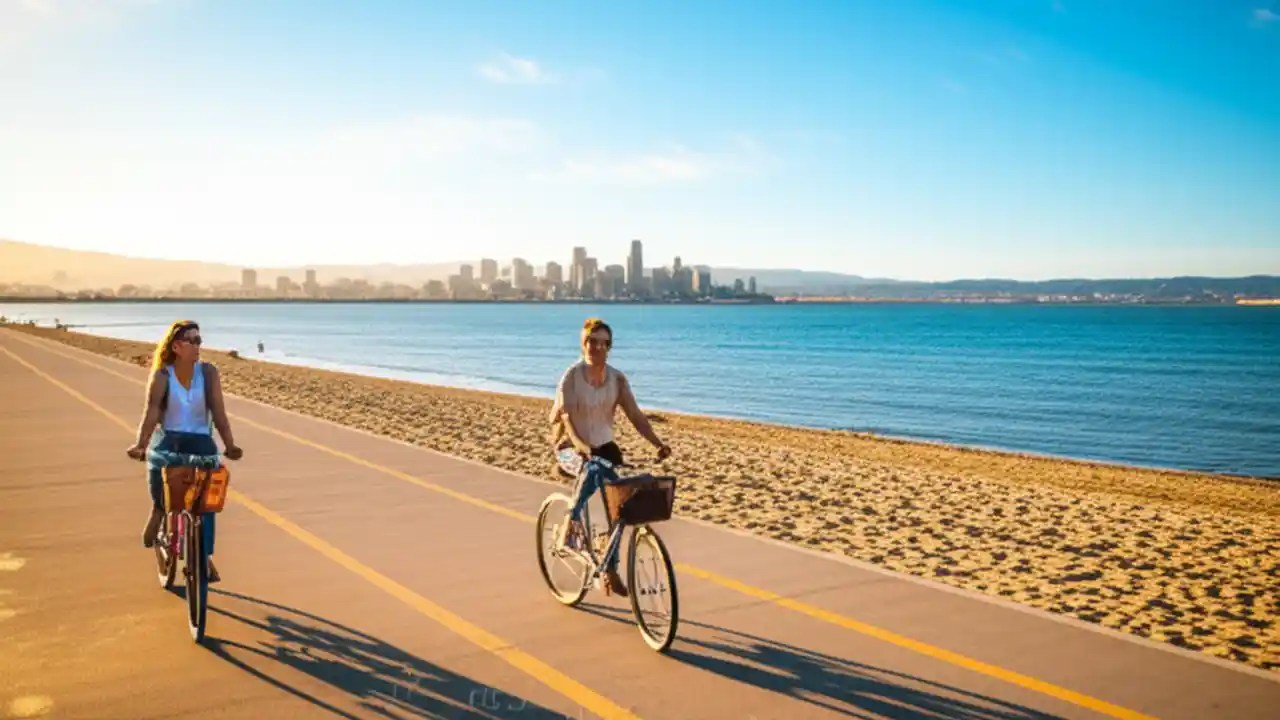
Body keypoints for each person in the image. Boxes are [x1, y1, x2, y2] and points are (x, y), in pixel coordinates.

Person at [549, 317, 671, 596]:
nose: (597, 347)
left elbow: (636, 416)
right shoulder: (571, 377)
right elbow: (566, 418)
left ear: (609, 347)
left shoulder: (617, 379)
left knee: (620, 505)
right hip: (570, 447)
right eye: (591, 342)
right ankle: (570, 523)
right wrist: (581, 446)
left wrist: (657, 444)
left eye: (603, 343)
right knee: (591, 470)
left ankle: (609, 568)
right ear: (583, 345)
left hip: (604, 448)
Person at [126, 320, 242, 582]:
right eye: (193, 341)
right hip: (169, 440)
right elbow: (152, 413)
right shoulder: (162, 376)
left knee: (208, 499)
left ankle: (203, 555)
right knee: (162, 476)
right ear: (177, 346)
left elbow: (219, 412)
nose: (198, 346)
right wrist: (141, 444)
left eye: (200, 340)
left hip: (201, 441)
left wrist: (230, 445)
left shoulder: (209, 373)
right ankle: (158, 510)